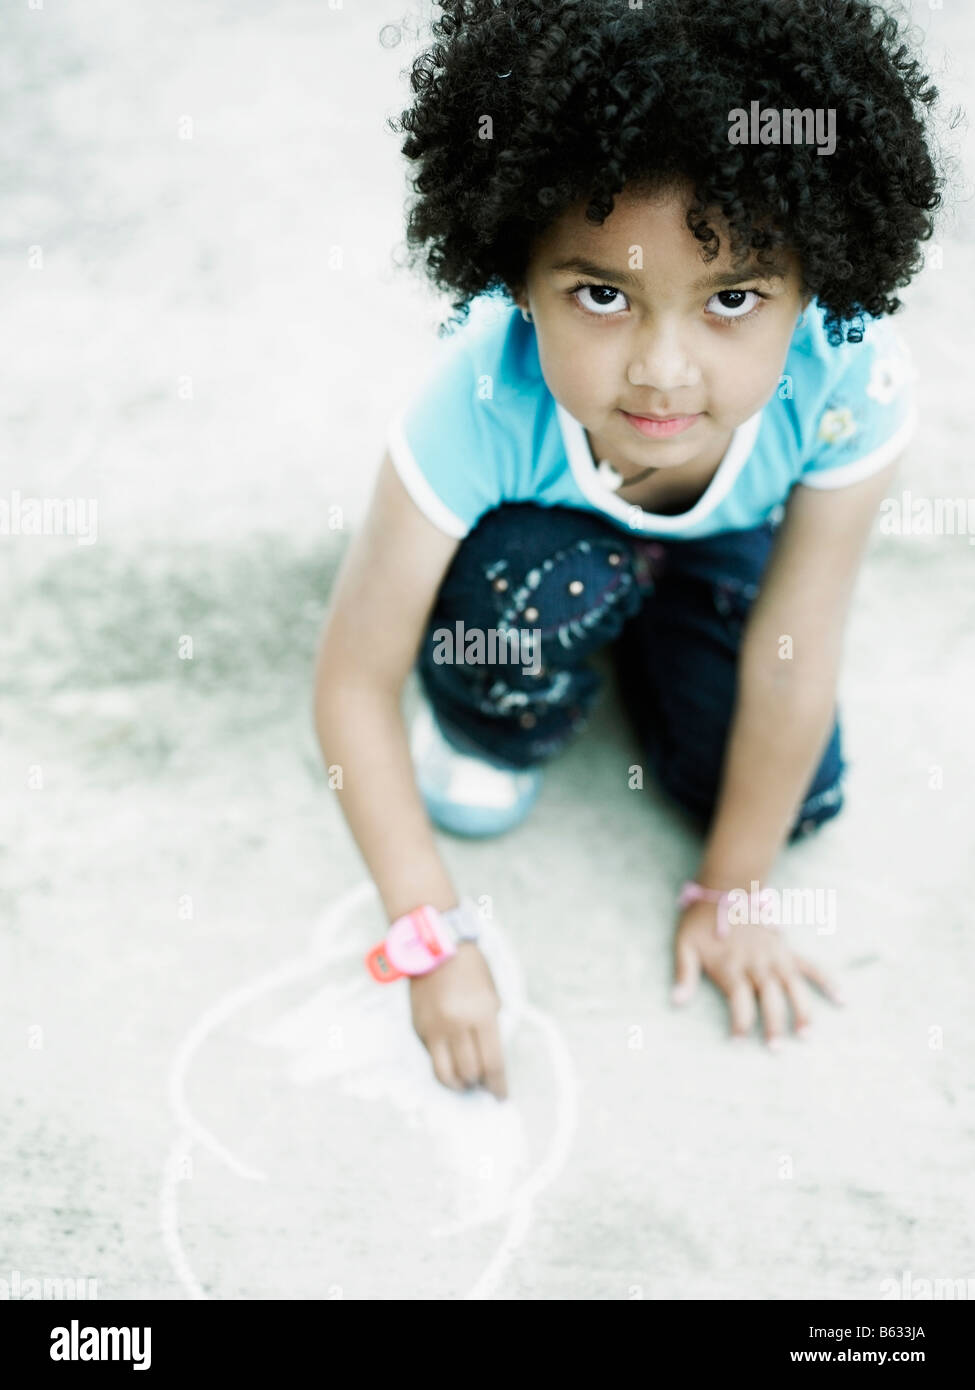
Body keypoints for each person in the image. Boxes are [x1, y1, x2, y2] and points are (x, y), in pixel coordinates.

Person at [313, 0, 944, 1098]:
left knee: (793, 802)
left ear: (813, 294)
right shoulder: (473, 398)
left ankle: (655, 629)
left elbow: (798, 643)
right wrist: (429, 930)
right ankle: (497, 718)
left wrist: (734, 889)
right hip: (542, 553)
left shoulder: (853, 381)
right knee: (527, 610)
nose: (662, 370)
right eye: (602, 294)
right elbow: (351, 683)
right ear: (517, 275)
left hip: (725, 555)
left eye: (733, 298)